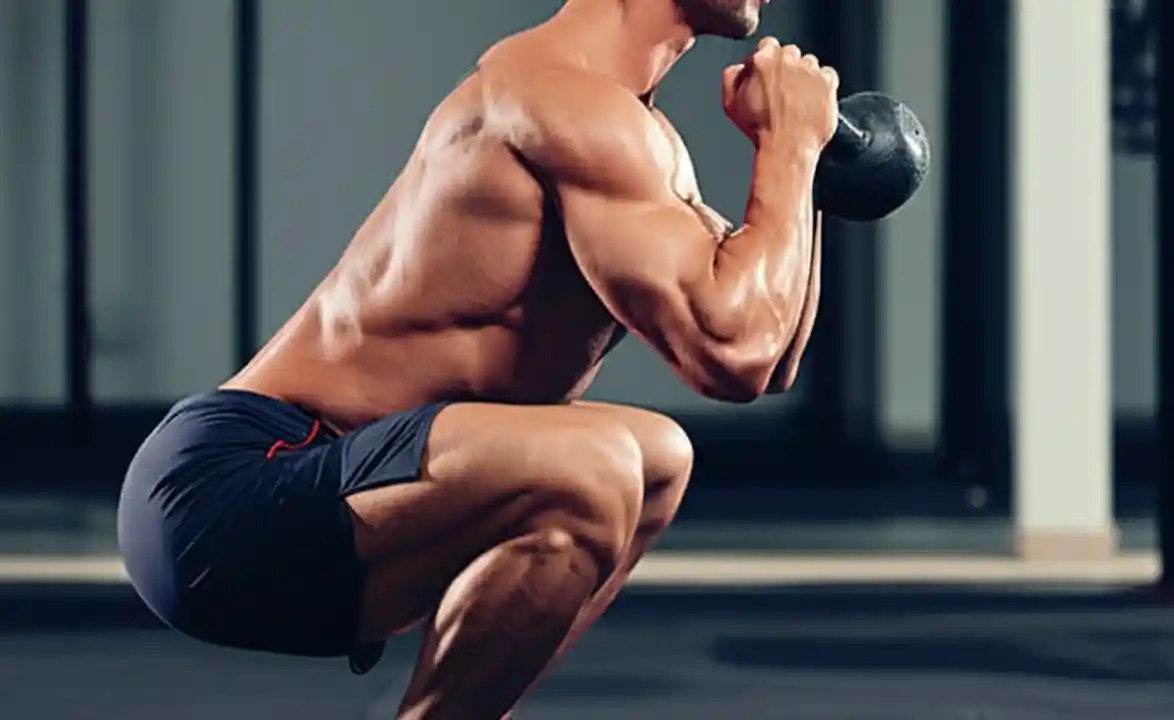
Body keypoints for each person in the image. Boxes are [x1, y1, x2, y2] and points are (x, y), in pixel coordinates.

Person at [116, 0, 838, 717]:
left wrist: (809, 174)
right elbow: (729, 352)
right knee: (593, 470)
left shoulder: (632, 131)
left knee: (657, 457)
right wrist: (789, 151)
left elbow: (767, 351)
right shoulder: (558, 100)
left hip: (347, 489)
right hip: (233, 489)